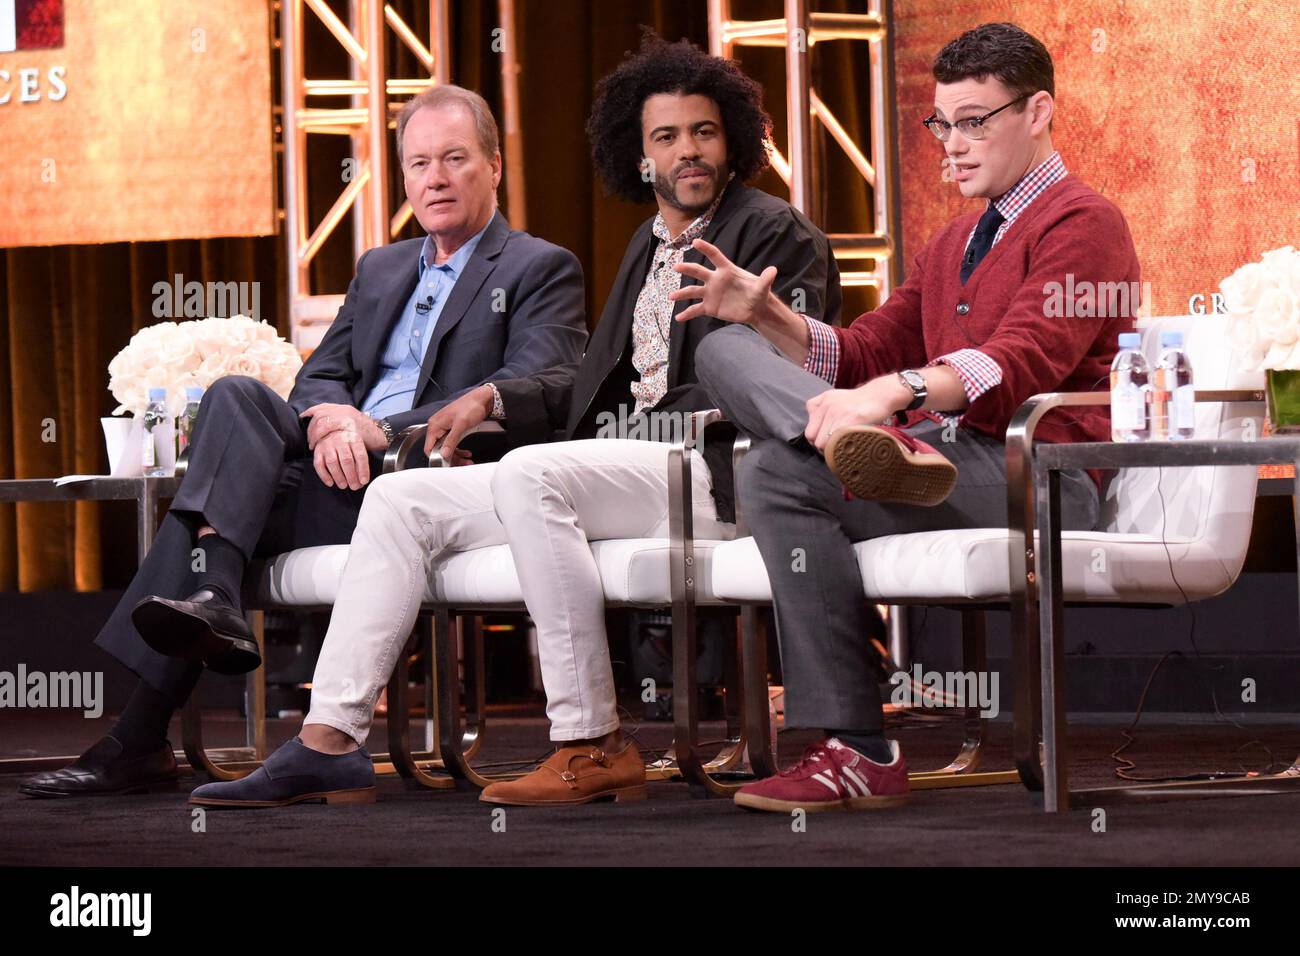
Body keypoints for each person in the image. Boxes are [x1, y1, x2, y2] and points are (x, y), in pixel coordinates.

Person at [184, 33, 840, 809]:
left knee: (533, 470)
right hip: (622, 470)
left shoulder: (774, 230)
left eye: (703, 131)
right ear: (638, 156)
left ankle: (591, 739)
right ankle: (328, 742)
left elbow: (794, 379)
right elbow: (582, 386)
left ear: (734, 140)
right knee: (399, 500)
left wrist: (741, 334)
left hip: (718, 470)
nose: (687, 151)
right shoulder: (647, 247)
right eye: (665, 136)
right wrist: (491, 399)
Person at [19, 85, 588, 799]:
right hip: (328, 471)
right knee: (235, 394)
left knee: (209, 517)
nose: (435, 179)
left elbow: (543, 384)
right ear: (404, 177)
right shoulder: (382, 268)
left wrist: (379, 428)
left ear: (495, 166)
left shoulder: (539, 267)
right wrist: (328, 420)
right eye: (418, 164)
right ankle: (213, 598)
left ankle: (138, 731)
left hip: (421, 484)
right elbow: (319, 378)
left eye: (454, 159)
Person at [680, 22, 1140, 813]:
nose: (951, 145)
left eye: (974, 122)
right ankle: (860, 749)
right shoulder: (955, 236)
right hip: (937, 454)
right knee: (724, 353)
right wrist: (771, 319)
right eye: (942, 124)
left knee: (775, 467)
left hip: (1040, 475)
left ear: (1037, 114)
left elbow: (1019, 360)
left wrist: (896, 395)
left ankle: (856, 745)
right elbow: (861, 352)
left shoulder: (1083, 222)